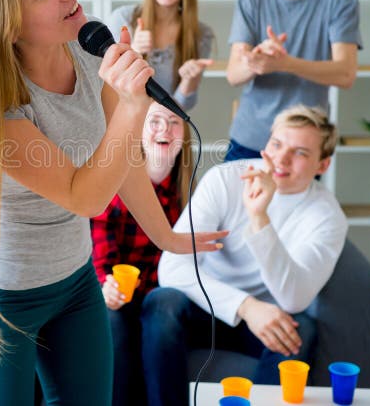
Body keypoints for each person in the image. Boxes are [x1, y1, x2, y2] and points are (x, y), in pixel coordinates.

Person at [0, 0, 226, 406]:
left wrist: (167, 237)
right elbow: (85, 195)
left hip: (74, 283)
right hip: (0, 302)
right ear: (3, 20)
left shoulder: (88, 52)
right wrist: (132, 109)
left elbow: (122, 161)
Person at [141, 105, 348, 406]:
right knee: (162, 303)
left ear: (323, 165)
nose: (282, 159)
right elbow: (172, 267)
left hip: (265, 323)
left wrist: (259, 218)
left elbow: (294, 299)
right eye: (277, 144)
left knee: (301, 328)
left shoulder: (327, 215)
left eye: (300, 152)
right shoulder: (224, 181)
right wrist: (246, 306)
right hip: (206, 306)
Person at [224, 0, 362, 162]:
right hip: (251, 138)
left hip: (304, 144)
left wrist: (285, 64)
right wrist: (257, 61)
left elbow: (346, 73)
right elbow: (233, 74)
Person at [90, 102, 193, 406]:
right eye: (155, 122)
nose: (164, 129)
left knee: (167, 302)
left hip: (160, 298)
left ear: (184, 135)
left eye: (174, 123)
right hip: (119, 296)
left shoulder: (188, 192)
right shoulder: (117, 185)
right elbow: (100, 252)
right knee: (111, 317)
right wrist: (105, 284)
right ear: (139, 133)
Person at [107, 0, 215, 112]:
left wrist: (189, 82)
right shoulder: (123, 19)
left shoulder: (201, 35)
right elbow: (108, 90)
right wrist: (134, 52)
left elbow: (180, 110)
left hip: (165, 130)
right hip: (123, 124)